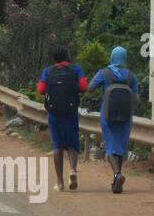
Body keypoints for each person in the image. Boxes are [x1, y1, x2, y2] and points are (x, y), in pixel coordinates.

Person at [86, 46, 140, 194]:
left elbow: (89, 88)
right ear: (125, 58)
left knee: (109, 146)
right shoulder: (131, 76)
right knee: (120, 147)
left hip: (107, 114)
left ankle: (117, 174)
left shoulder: (104, 73)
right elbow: (136, 99)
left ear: (112, 57)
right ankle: (117, 177)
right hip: (126, 116)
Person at [37, 46, 87, 190]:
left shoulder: (48, 71)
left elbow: (40, 90)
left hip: (54, 113)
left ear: (54, 58)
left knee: (57, 145)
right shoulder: (76, 69)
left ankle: (59, 182)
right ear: (67, 56)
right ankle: (72, 169)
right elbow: (84, 87)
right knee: (72, 142)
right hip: (71, 111)